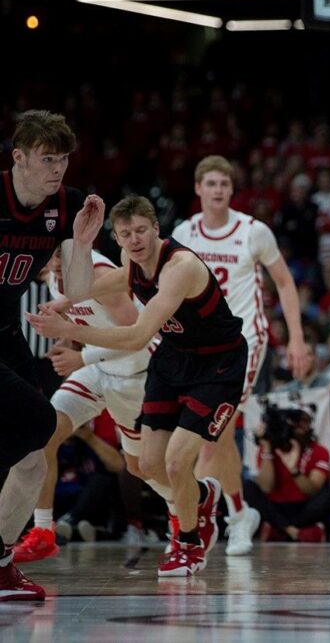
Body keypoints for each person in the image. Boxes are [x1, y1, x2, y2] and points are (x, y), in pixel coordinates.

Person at [27, 195, 247, 578]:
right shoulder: (130, 261)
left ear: (156, 229)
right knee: (148, 465)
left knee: (177, 461)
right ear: (118, 237)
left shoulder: (179, 267)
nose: (134, 240)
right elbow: (101, 285)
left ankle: (190, 545)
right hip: (173, 359)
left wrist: (69, 331)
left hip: (216, 364)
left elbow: (137, 335)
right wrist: (64, 300)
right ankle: (204, 495)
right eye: (126, 234)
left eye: (141, 231)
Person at [171, 155, 312, 556]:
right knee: (214, 436)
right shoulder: (184, 233)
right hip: (198, 345)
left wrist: (297, 338)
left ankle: (192, 528)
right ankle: (238, 514)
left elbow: (284, 283)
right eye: (210, 183)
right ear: (198, 189)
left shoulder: (254, 231)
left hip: (244, 342)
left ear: (232, 190)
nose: (218, 190)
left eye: (224, 184)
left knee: (210, 438)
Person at [0, 110, 103, 601]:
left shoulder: (68, 206)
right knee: (40, 422)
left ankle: (0, 565)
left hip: (3, 332)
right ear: (18, 158)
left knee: (31, 461)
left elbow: (80, 292)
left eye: (62, 159)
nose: (56, 168)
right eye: (46, 158)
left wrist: (80, 243)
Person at [10, 248, 169, 565]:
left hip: (134, 375)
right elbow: (84, 327)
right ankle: (43, 532)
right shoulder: (56, 280)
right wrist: (67, 343)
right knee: (44, 434)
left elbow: (137, 337)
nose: (54, 261)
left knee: (142, 468)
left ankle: (190, 509)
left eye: (59, 253)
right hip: (97, 372)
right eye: (50, 254)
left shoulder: (99, 276)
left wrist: (81, 355)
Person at [243, 406, 330, 542]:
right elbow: (266, 487)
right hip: (275, 507)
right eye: (296, 422)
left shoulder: (319, 451)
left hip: (303, 507)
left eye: (304, 421)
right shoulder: (269, 448)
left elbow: (313, 491)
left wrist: (294, 470)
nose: (300, 426)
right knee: (248, 487)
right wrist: (267, 450)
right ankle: (294, 531)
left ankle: (280, 530)